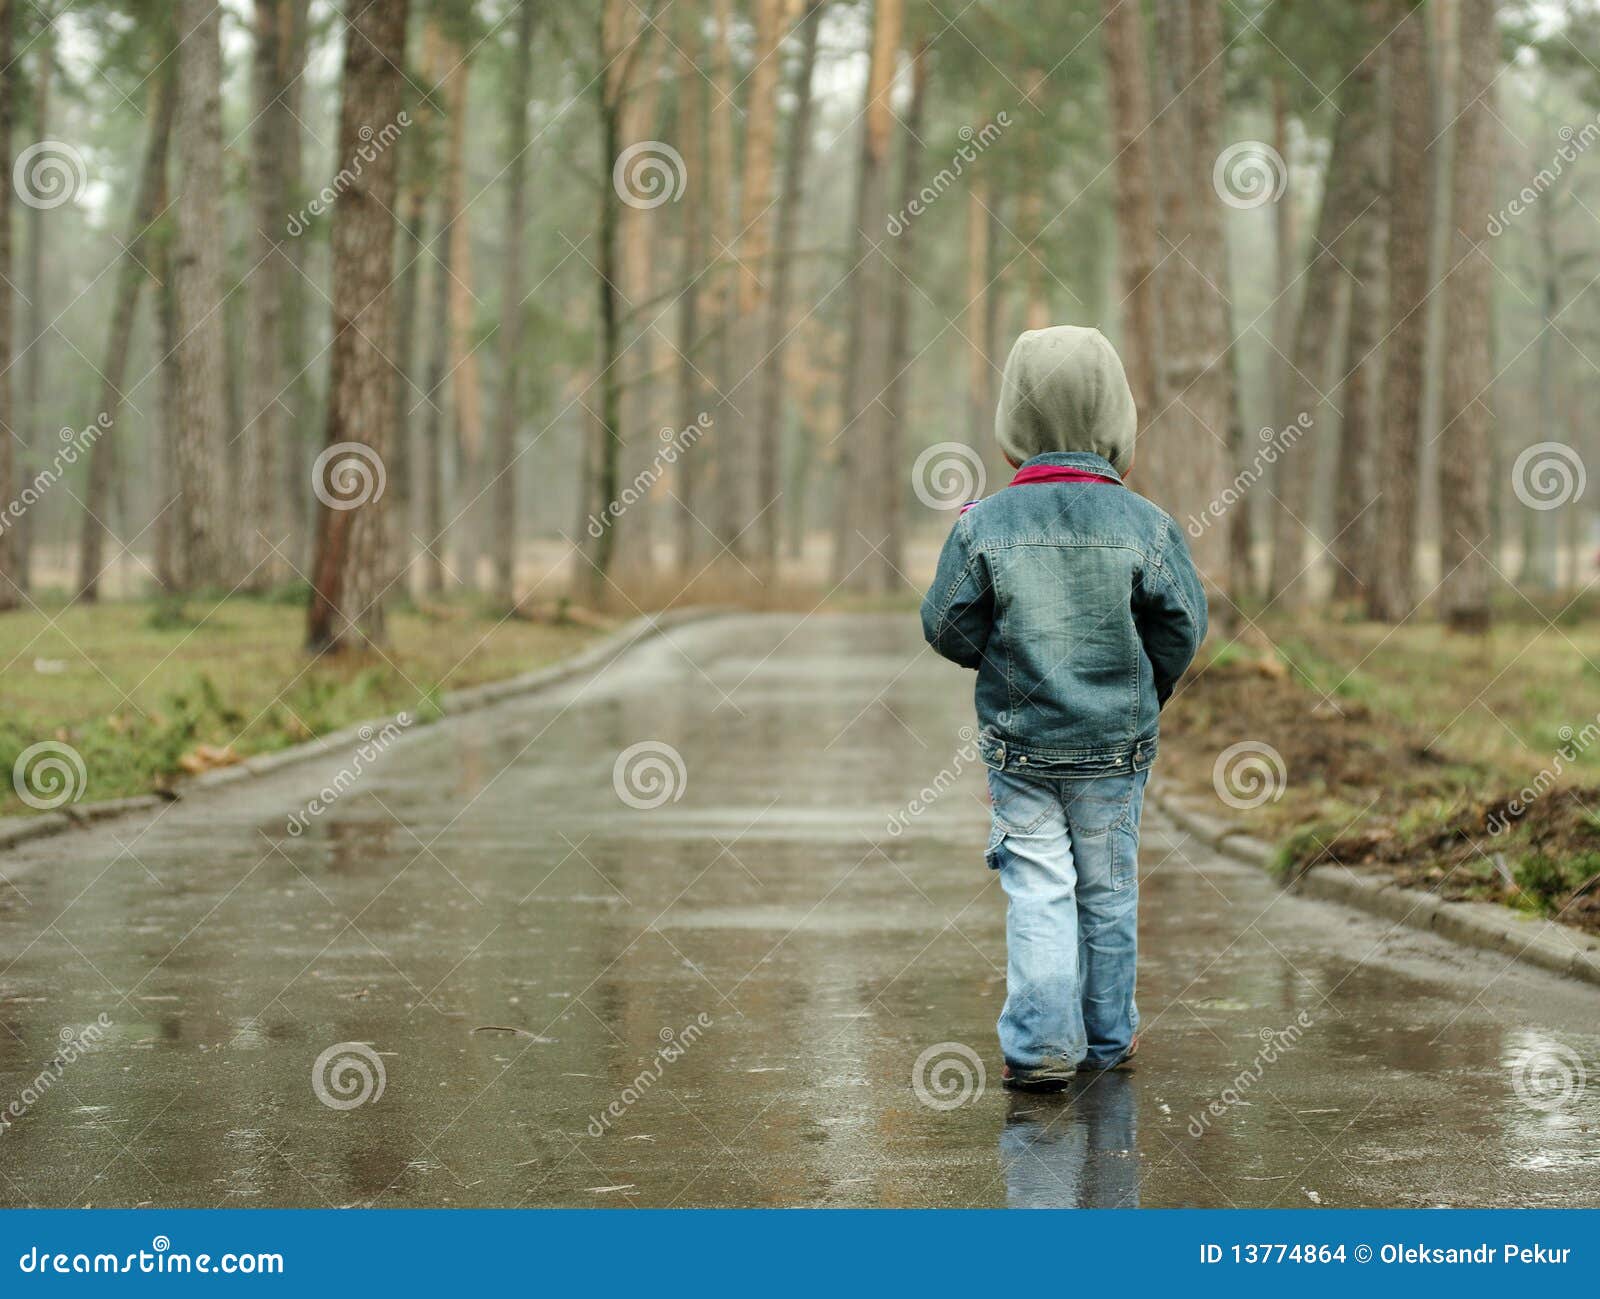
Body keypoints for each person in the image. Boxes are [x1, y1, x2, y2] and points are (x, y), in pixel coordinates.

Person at [920, 325, 1207, 1091]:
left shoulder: (983, 524)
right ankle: (1108, 1038)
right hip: (1115, 743)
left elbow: (945, 623)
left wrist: (1001, 655)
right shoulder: (1146, 524)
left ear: (1014, 420)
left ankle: (1043, 1043)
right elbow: (1183, 624)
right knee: (1108, 890)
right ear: (1118, 419)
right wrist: (1146, 685)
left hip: (1021, 745)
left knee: (1039, 884)